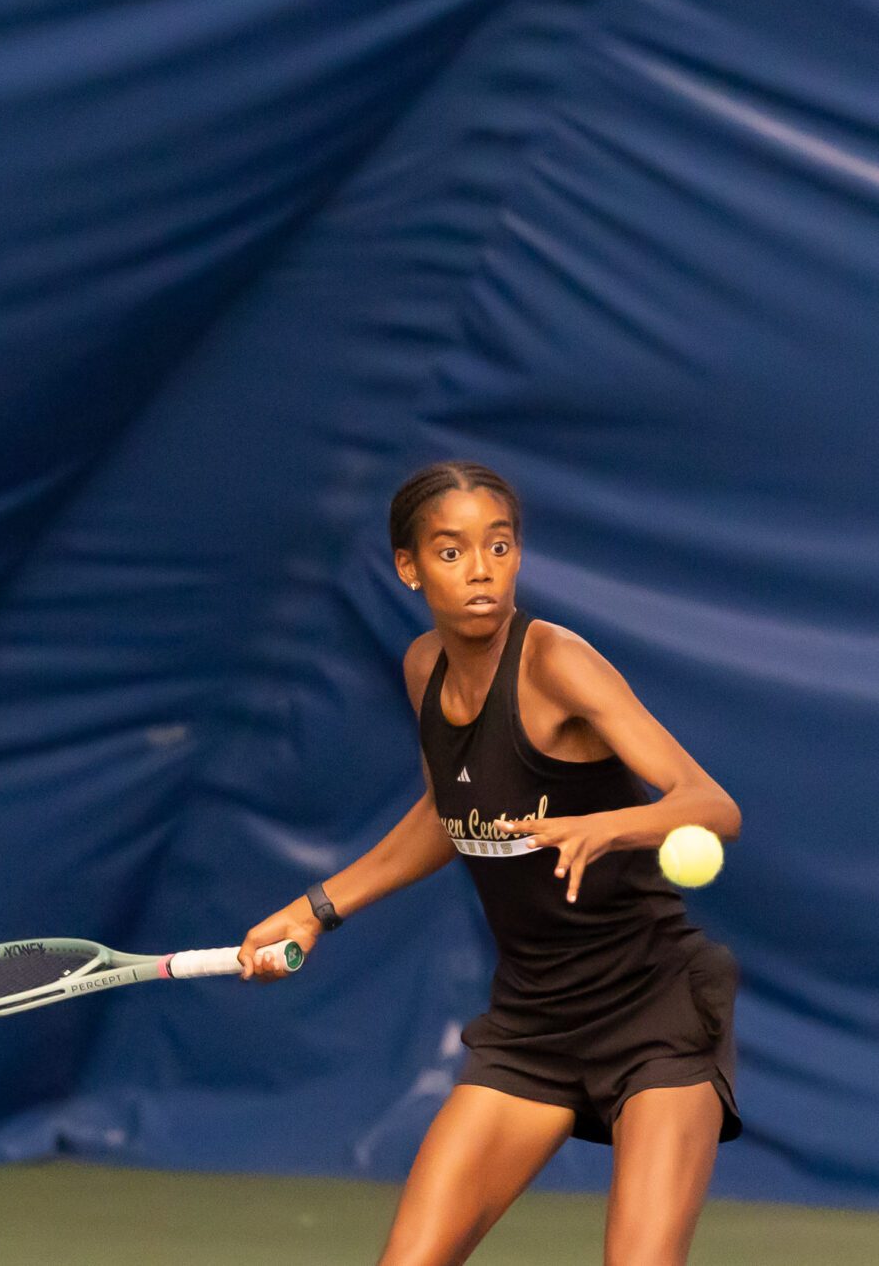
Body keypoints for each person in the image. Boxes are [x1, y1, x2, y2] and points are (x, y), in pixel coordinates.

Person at [236, 460, 744, 1266]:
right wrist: (316, 908)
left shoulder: (557, 662)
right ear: (409, 566)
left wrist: (605, 827)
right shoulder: (421, 671)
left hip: (654, 1012)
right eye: (451, 550)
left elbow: (713, 805)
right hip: (532, 1023)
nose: (481, 569)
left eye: (499, 546)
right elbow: (449, 813)